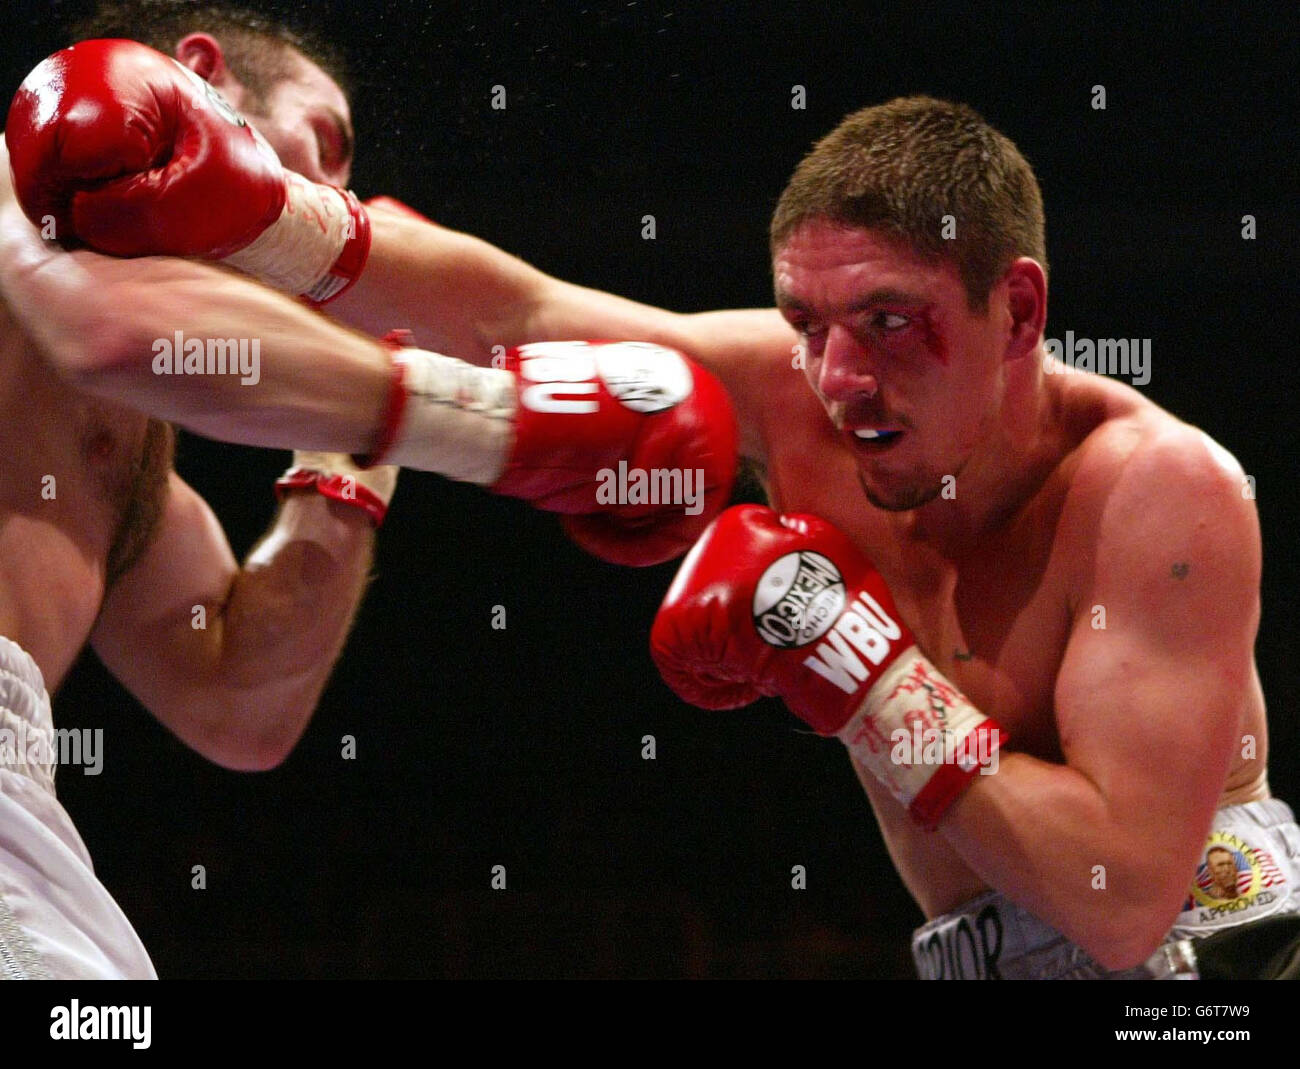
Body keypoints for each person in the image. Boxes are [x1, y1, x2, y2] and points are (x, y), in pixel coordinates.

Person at [9, 12, 1296, 977]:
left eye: (890, 323)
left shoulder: (1157, 489)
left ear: (1016, 310)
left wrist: (863, 669)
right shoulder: (800, 397)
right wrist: (274, 223)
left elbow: (1119, 900)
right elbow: (517, 311)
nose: (839, 374)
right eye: (804, 321)